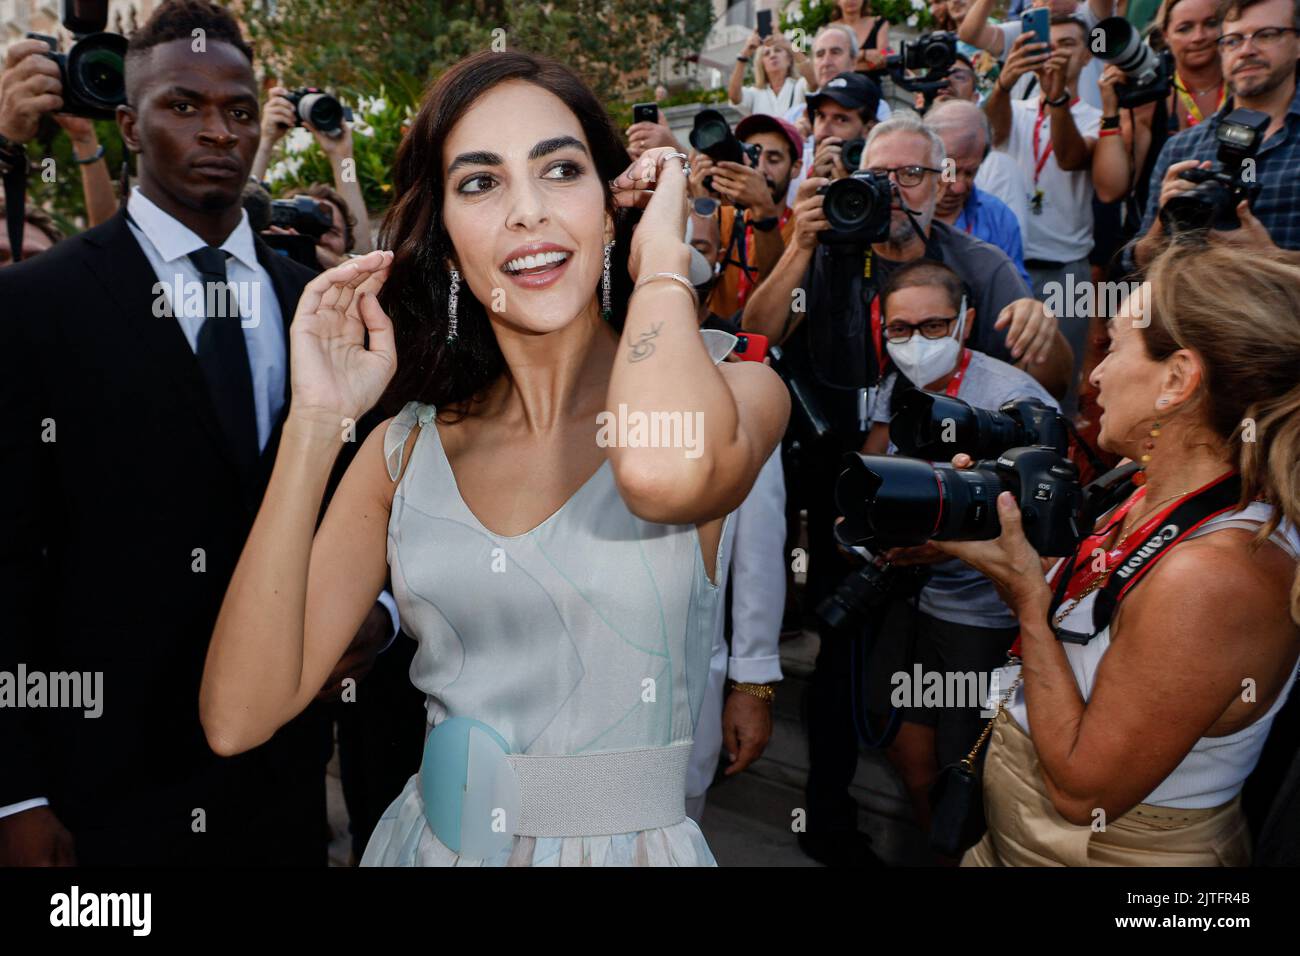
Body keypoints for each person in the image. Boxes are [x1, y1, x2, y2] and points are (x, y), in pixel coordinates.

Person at [198, 50, 790, 867]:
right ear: (444, 240)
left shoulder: (739, 392)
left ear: (613, 205)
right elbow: (237, 716)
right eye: (480, 182)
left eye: (560, 170)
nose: (527, 212)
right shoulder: (401, 451)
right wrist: (316, 421)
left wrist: (662, 260)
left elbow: (661, 475)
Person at [0, 0, 394, 866]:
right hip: (99, 781)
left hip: (282, 769)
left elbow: (370, 500)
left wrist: (382, 612)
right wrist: (15, 791)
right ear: (129, 124)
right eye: (184, 105)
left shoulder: (317, 305)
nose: (218, 130)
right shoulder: (37, 307)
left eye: (239, 110)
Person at [934, 241, 1300, 866]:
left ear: (1179, 379)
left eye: (1113, 346)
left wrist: (1027, 599)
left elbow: (1083, 790)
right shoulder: (1147, 490)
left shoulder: (1217, 572)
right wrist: (1007, 555)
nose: (1094, 372)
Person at [860, 259, 1057, 844]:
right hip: (908, 598)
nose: (915, 342)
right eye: (900, 329)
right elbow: (871, 459)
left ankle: (960, 851)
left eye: (933, 326)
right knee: (901, 733)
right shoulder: (897, 384)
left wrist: (943, 548)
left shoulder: (1013, 399)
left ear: (965, 323)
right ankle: (939, 850)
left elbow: (1042, 524)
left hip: (980, 614)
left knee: (960, 755)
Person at [683, 207, 785, 823]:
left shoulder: (741, 389)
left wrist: (751, 685)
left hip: (689, 686)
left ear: (699, 308)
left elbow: (759, 555)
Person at [1128, 0, 1300, 268]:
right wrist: (1164, 222)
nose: (1246, 50)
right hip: (1193, 308)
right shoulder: (1181, 148)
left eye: (1266, 35)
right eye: (1232, 40)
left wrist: (1270, 256)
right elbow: (1141, 263)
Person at [986, 19, 1102, 415]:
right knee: (1006, 377)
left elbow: (1070, 157)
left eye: (1068, 44)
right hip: (1012, 266)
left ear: (1087, 56)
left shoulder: (1094, 117)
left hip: (1067, 269)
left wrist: (1056, 102)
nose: (1055, 52)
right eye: (1047, 44)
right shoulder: (1013, 107)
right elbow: (989, 132)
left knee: (1061, 386)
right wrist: (1002, 84)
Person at [1093, 0, 1226, 210]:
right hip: (1164, 231)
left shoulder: (1245, 85)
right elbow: (1111, 190)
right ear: (1165, 35)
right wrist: (1110, 111)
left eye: (1211, 23)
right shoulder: (1150, 95)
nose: (1199, 37)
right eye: (1185, 28)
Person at [689, 113, 802, 318]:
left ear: (796, 168)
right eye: (752, 155)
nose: (760, 169)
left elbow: (790, 298)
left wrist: (763, 210)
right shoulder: (719, 216)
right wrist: (700, 202)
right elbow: (691, 283)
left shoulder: (804, 229)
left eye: (774, 159)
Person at [252, 84, 374, 256]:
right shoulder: (266, 269)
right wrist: (265, 141)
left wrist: (342, 156)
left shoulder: (352, 272)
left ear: (347, 244)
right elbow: (242, 210)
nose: (320, 239)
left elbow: (362, 251)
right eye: (306, 229)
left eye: (332, 231)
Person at [924, 99, 1032, 285]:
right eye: (949, 170)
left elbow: (1016, 294)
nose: (958, 186)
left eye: (970, 173)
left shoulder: (999, 218)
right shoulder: (900, 213)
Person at [959, 0, 1114, 109]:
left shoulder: (1092, 22)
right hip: (1029, 132)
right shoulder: (1023, 30)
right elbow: (970, 35)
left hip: (1084, 130)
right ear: (1032, 2)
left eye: (1067, 43)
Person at [730, 30, 815, 119]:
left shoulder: (800, 85)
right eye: (767, 54)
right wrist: (744, 55)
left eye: (778, 50)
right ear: (762, 64)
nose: (772, 55)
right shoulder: (754, 93)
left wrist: (789, 45)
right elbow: (734, 97)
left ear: (789, 59)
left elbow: (813, 81)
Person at [279, 182, 360, 270]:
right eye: (308, 227)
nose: (322, 238)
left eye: (332, 232)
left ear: (347, 241)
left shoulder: (361, 270)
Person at [831, 0, 892, 71]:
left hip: (871, 80)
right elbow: (829, 62)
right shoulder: (827, 29)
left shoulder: (879, 23)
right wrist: (864, 54)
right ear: (837, 1)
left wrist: (844, 62)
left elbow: (886, 53)